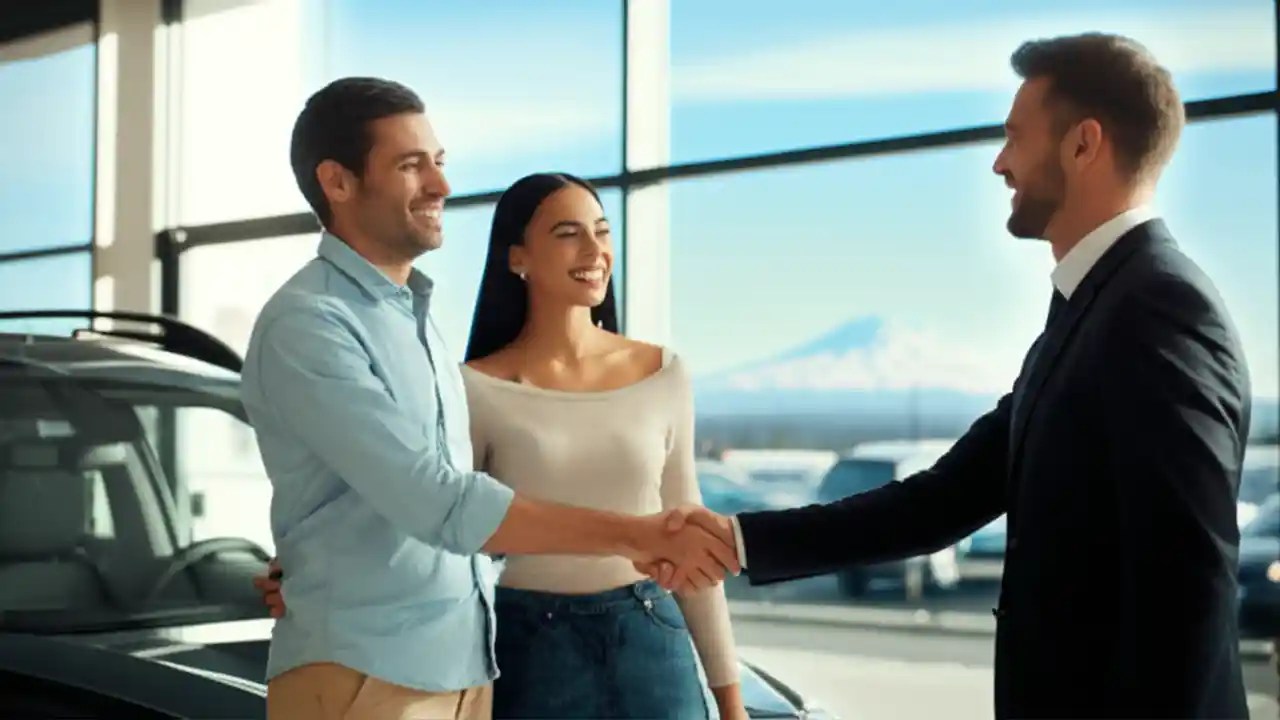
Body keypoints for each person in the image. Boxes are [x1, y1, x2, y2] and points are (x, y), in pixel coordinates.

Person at [651, 32, 1253, 719]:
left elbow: (1187, 583)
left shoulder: (1157, 308)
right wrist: (737, 540)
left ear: (1084, 144)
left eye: (1015, 138)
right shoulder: (1092, 309)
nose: (1001, 164)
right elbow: (945, 498)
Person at [240, 77, 737, 720]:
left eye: (439, 163)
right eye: (411, 165)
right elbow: (439, 500)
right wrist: (639, 534)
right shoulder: (311, 323)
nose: (442, 186)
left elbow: (406, 501)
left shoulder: (412, 321)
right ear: (337, 182)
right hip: (379, 670)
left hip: (470, 665)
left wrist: (310, 562)